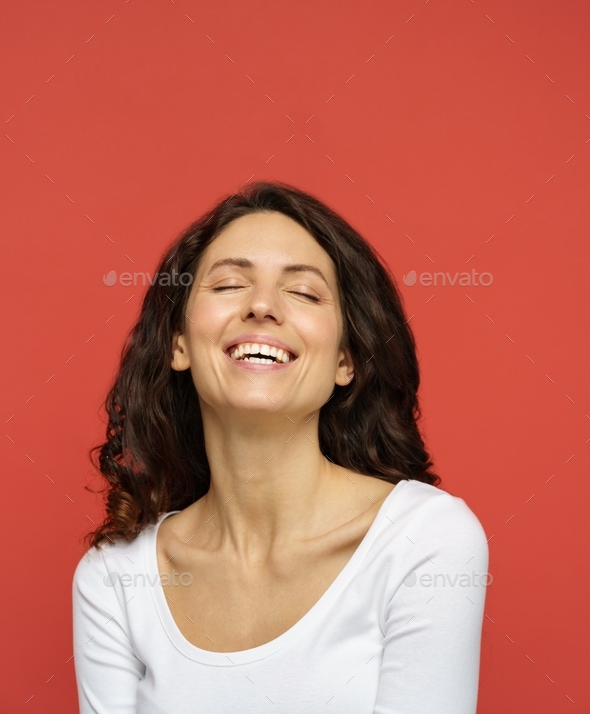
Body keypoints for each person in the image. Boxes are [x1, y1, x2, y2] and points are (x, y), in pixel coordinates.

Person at [72, 180, 489, 714]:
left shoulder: (424, 542)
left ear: (346, 360)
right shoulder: (115, 579)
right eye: (227, 285)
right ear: (180, 344)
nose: (262, 305)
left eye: (304, 292)